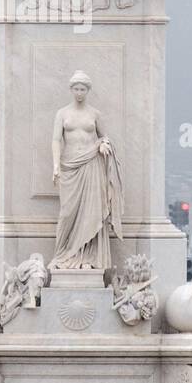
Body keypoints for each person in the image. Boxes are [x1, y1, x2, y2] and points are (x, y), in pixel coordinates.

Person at [50, 71, 123, 270]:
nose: (79, 93)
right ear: (71, 90)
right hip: (69, 166)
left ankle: (88, 258)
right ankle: (62, 254)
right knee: (67, 212)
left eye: (83, 89)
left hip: (91, 164)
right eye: (76, 89)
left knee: (91, 213)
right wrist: (55, 165)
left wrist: (103, 144)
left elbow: (104, 136)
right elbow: (56, 140)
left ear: (87, 90)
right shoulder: (62, 113)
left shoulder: (94, 114)